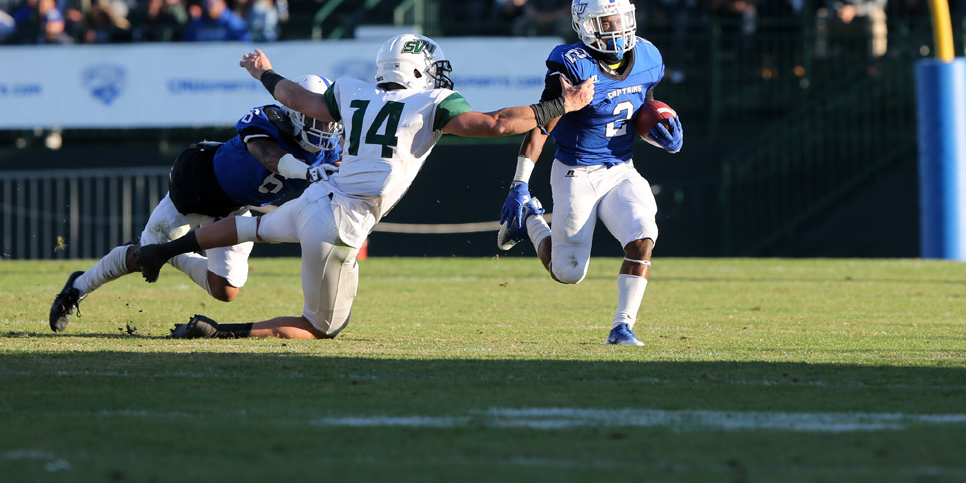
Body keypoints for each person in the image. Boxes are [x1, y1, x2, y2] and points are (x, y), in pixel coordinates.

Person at [133, 33, 594, 340]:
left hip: (318, 196)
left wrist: (262, 73)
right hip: (342, 223)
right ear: (416, 72)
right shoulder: (432, 101)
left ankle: (163, 250)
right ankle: (221, 331)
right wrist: (562, 104)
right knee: (321, 327)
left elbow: (294, 98)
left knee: (251, 229)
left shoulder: (354, 91)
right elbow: (496, 123)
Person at [48, 75, 342, 333]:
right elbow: (268, 157)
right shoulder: (269, 118)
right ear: (294, 112)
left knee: (225, 290)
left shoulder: (330, 150)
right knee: (142, 258)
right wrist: (307, 171)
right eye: (316, 118)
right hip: (197, 184)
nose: (324, 127)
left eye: (327, 118)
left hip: (234, 206)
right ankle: (78, 287)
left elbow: (346, 170)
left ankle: (171, 253)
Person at [496, 0, 683, 347]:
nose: (616, 29)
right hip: (575, 172)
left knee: (643, 235)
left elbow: (643, 105)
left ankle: (622, 327)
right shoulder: (572, 65)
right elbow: (541, 124)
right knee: (567, 273)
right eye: (606, 22)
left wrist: (662, 129)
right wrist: (520, 184)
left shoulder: (647, 57)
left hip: (620, 169)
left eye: (619, 19)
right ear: (584, 26)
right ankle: (532, 219)